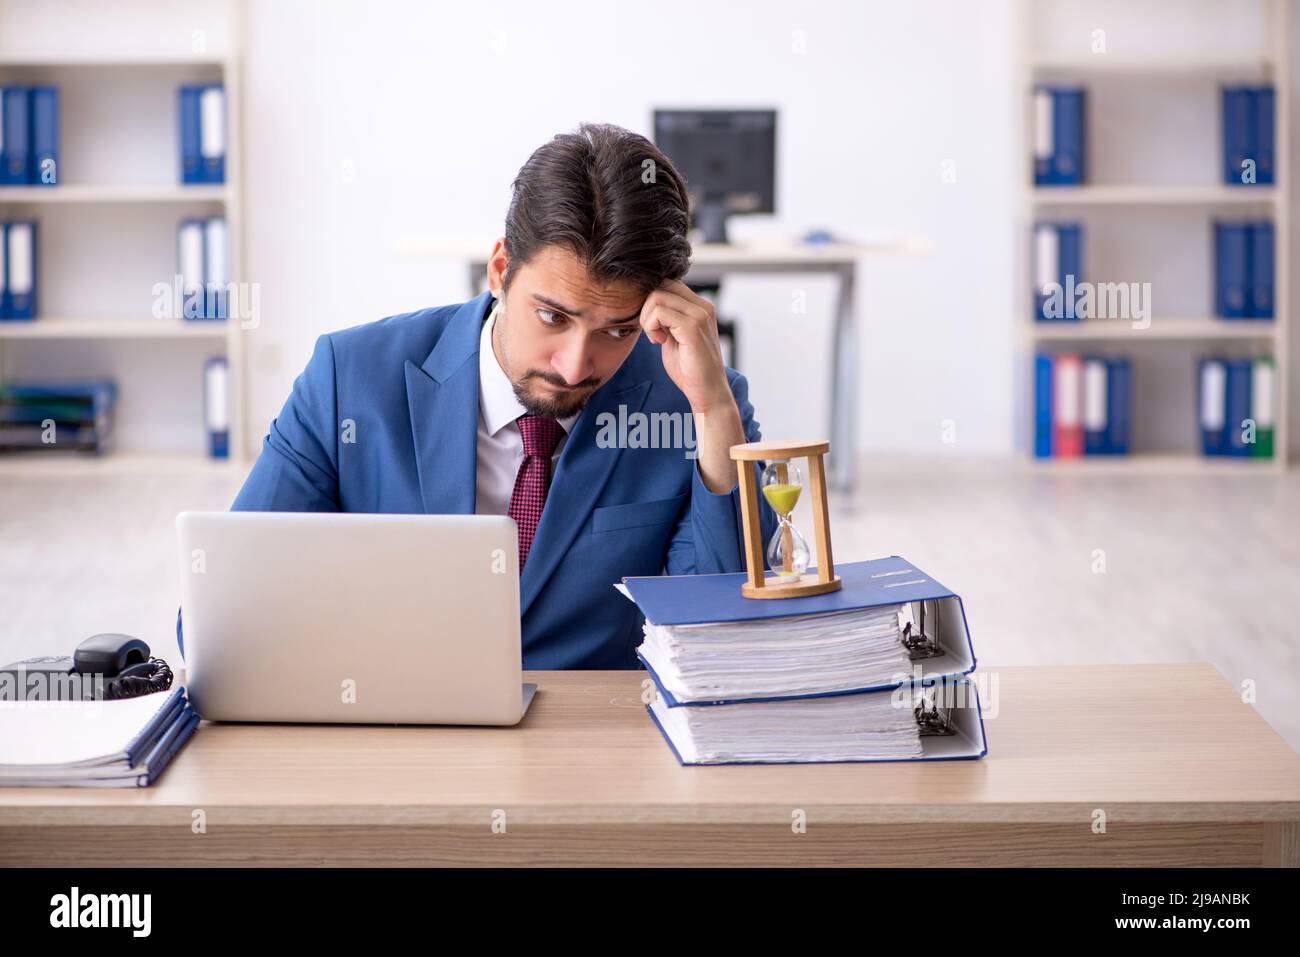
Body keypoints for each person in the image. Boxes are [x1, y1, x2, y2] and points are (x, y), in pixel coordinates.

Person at [222, 123, 777, 668]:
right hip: (396, 727)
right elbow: (228, 618)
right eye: (552, 316)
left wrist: (712, 410)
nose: (575, 365)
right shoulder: (350, 378)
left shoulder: (690, 404)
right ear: (500, 269)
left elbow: (720, 635)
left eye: (616, 330)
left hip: (594, 740)